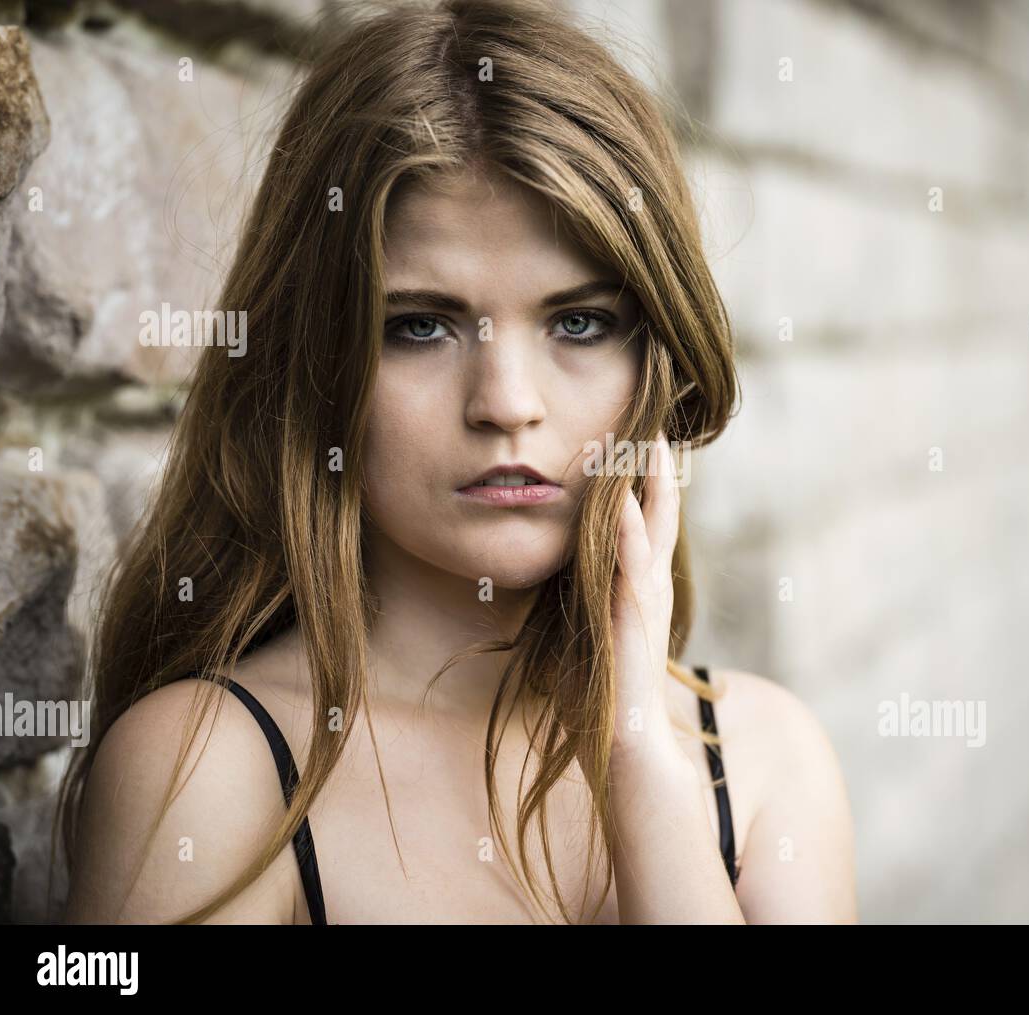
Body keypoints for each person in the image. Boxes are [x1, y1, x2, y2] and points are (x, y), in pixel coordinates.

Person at [58, 0, 857, 924]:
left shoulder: (762, 758)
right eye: (421, 326)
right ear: (317, 362)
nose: (507, 402)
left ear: (659, 359)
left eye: (580, 322)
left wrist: (642, 763)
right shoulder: (205, 772)